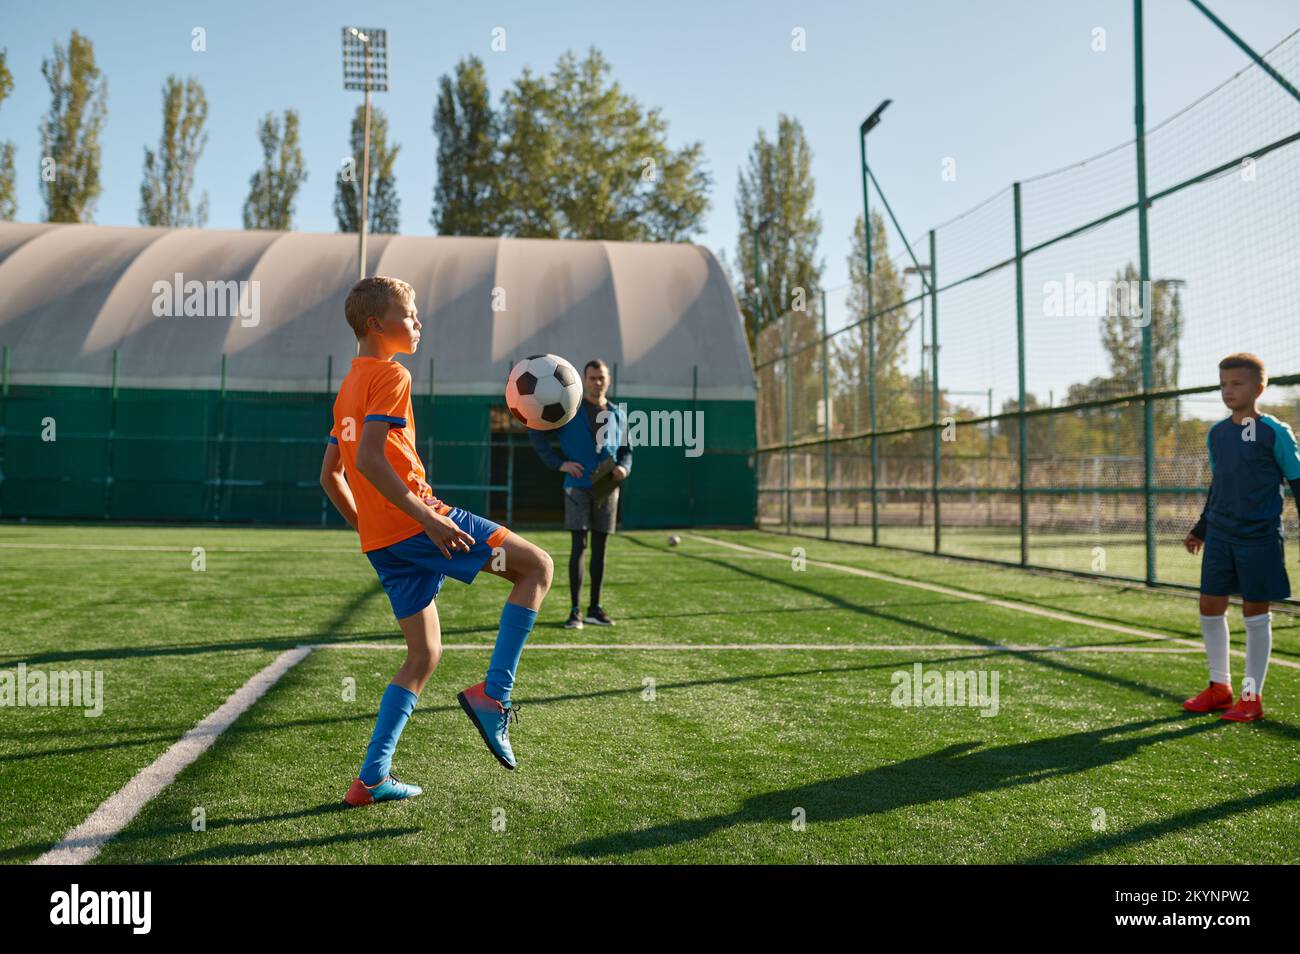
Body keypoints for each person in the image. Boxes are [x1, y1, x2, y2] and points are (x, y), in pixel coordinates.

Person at [320, 277, 554, 805]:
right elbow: (370, 460)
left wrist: (369, 529)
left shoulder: (347, 387)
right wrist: (425, 517)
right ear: (377, 325)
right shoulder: (392, 375)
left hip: (386, 542)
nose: (419, 323)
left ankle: (371, 779)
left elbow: (330, 475)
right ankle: (494, 697)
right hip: (418, 524)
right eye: (410, 314)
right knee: (537, 567)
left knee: (423, 655)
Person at [1183, 352, 1300, 723]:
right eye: (1223, 384)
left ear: (1259, 387)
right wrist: (1202, 527)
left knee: (1254, 612)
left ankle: (1252, 696)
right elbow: (1220, 485)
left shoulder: (1275, 432)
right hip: (1220, 535)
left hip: (1259, 538)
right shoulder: (1217, 434)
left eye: (1237, 384)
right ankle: (1221, 688)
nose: (1228, 391)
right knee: (1209, 606)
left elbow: (1297, 482)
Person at [527, 358, 631, 629]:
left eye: (601, 378)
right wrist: (559, 463)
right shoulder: (568, 410)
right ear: (584, 380)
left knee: (601, 549)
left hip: (607, 488)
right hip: (576, 487)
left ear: (608, 381)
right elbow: (536, 433)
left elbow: (627, 450)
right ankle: (575, 611)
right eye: (593, 378)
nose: (597, 382)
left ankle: (595, 608)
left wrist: (623, 468)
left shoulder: (618, 414)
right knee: (579, 546)